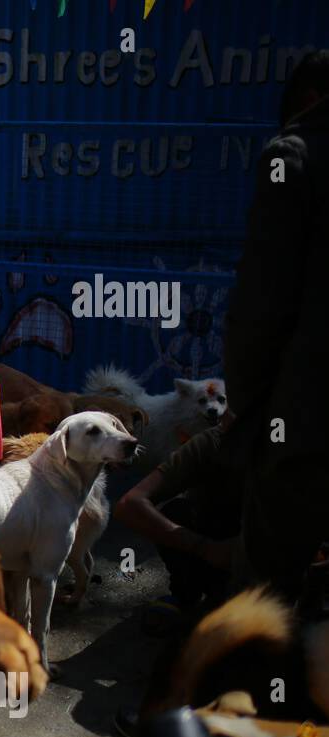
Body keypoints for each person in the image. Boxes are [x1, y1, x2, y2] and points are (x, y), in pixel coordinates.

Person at [224, 51, 329, 603]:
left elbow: (264, 300)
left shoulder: (297, 155)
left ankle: (263, 683)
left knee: (271, 589)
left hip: (307, 414)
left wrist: (246, 399)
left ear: (308, 100)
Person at [114, 417, 242, 620]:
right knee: (176, 512)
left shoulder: (293, 445)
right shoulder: (215, 440)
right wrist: (206, 548)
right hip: (226, 555)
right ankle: (189, 594)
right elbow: (129, 506)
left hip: (276, 567)